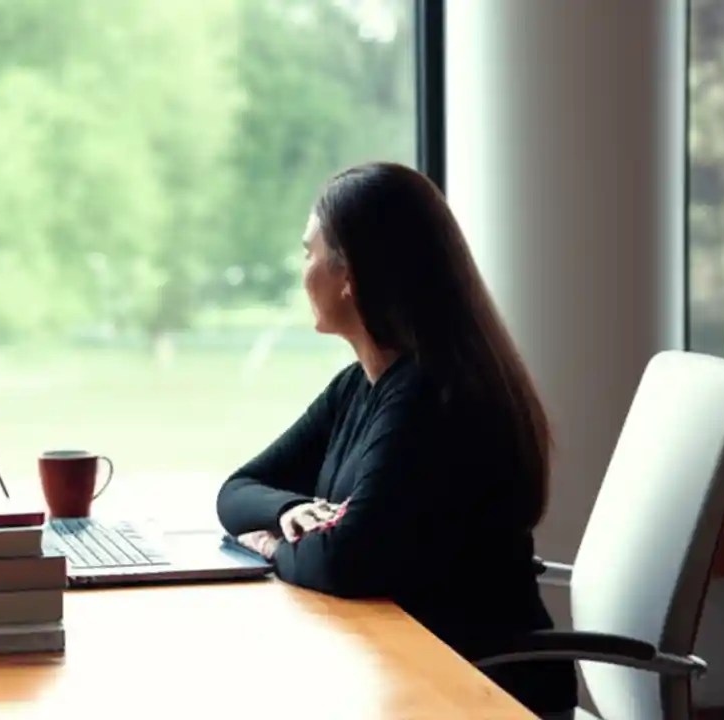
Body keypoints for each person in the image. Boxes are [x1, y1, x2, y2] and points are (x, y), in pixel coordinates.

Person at [215, 162, 577, 716]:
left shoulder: (430, 396)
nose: (303, 270)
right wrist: (290, 509)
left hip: (476, 686)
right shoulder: (360, 388)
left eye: (309, 254)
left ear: (349, 276)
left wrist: (270, 543)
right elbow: (237, 491)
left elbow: (346, 561)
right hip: (406, 665)